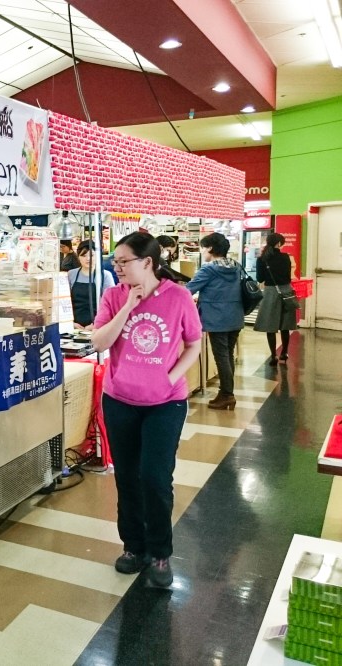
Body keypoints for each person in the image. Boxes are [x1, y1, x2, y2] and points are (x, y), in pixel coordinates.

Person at [90, 232, 202, 589]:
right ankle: (133, 548)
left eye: (124, 261)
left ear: (148, 262)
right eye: (116, 261)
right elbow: (99, 342)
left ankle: (159, 553)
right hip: (120, 399)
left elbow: (194, 344)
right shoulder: (112, 295)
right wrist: (128, 306)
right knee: (126, 476)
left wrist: (169, 378)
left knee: (154, 478)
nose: (117, 267)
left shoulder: (178, 296)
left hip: (165, 404)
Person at [186, 233, 244, 410]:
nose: (202, 251)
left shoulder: (208, 269)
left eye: (203, 248)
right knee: (227, 355)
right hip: (235, 316)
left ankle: (227, 394)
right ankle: (226, 392)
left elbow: (188, 289)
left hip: (216, 318)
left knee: (222, 357)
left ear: (210, 248)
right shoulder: (236, 266)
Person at [254, 232, 297, 366]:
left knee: (270, 325)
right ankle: (284, 352)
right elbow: (288, 278)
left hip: (270, 292)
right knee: (285, 324)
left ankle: (273, 355)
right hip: (285, 291)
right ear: (279, 244)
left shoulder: (261, 259)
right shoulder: (285, 257)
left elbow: (260, 278)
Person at [67, 241, 115, 329]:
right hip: (75, 327)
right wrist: (70, 323)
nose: (88, 259)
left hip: (98, 327)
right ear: (78, 257)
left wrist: (97, 324)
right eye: (83, 255)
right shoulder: (71, 274)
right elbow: (65, 302)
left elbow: (111, 305)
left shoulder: (105, 275)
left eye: (92, 255)